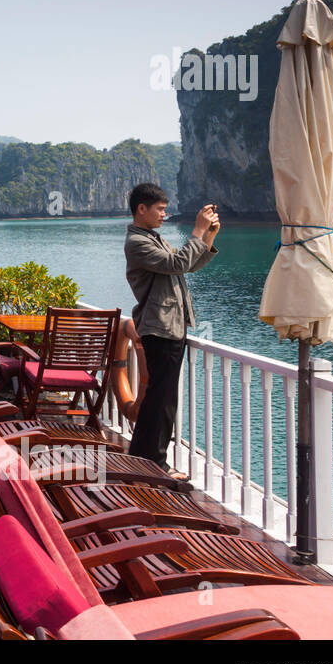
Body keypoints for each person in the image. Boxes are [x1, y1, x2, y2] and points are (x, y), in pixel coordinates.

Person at [124, 183, 220, 479]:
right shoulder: (137, 243)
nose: (164, 214)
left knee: (159, 399)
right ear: (142, 209)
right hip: (160, 329)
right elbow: (177, 262)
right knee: (163, 401)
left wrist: (208, 236)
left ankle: (141, 459)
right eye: (160, 209)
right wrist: (197, 230)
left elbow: (186, 265)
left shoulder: (153, 239)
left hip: (168, 327)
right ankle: (157, 465)